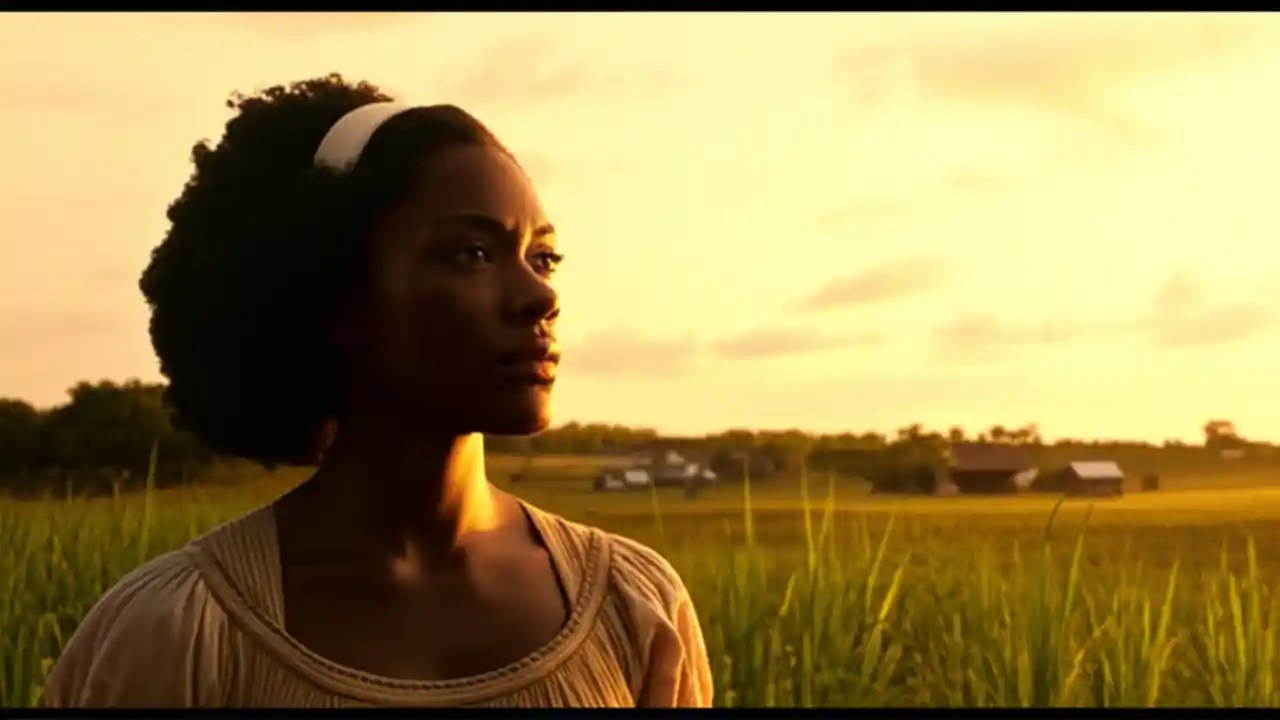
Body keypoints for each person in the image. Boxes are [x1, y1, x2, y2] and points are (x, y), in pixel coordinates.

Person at [43, 74, 713, 708]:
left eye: (541, 258)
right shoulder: (180, 630)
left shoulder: (634, 607)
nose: (540, 296)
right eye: (471, 254)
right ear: (338, 299)